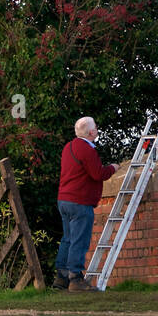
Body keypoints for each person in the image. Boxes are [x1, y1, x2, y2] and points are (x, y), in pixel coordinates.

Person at [54, 116, 119, 290]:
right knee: (79, 240)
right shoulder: (87, 150)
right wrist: (113, 168)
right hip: (79, 201)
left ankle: (61, 277)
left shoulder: (68, 147)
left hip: (64, 199)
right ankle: (75, 278)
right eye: (95, 128)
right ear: (91, 132)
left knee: (67, 238)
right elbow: (98, 174)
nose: (97, 130)